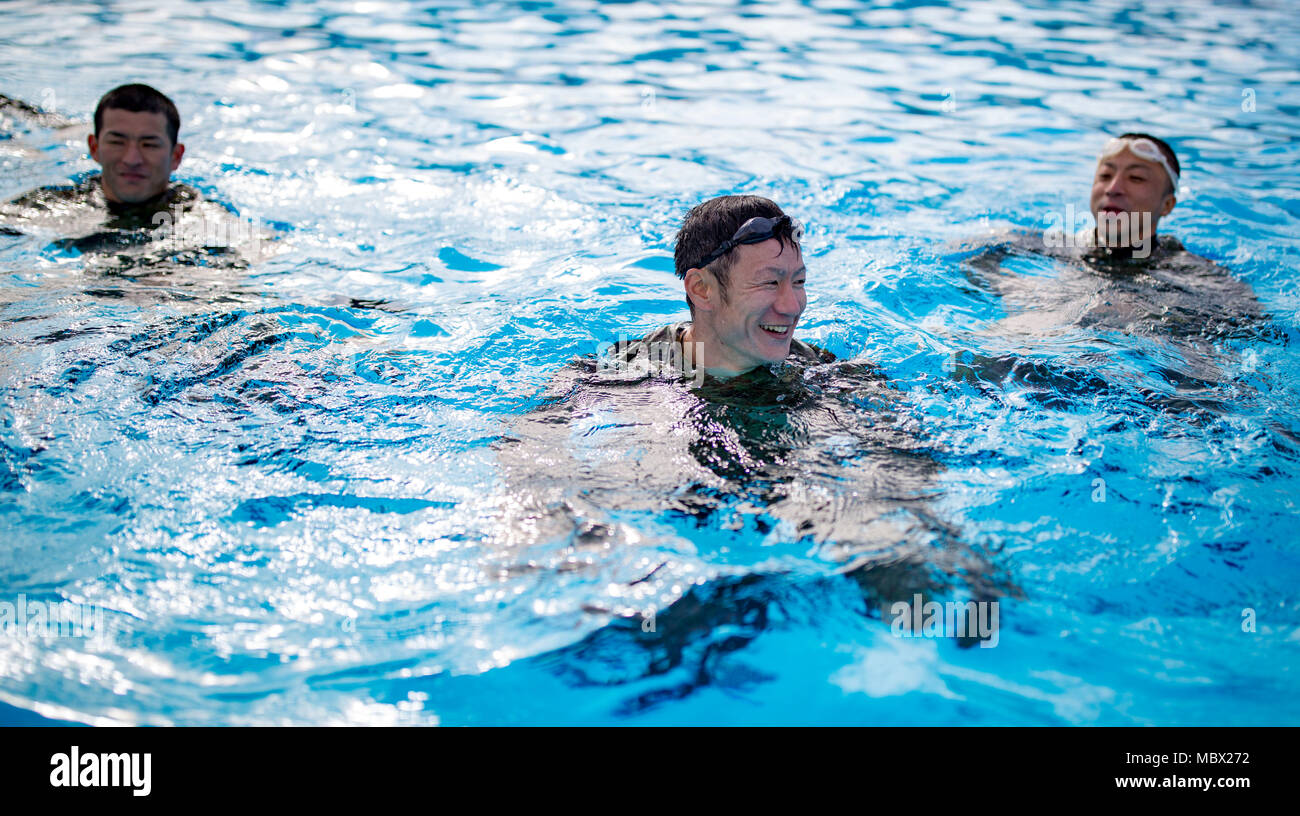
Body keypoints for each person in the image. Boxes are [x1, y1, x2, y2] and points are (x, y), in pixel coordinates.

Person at [608, 195, 835, 384]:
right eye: (770, 283)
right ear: (702, 289)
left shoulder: (819, 371)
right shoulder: (624, 372)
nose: (792, 307)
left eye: (799, 282)